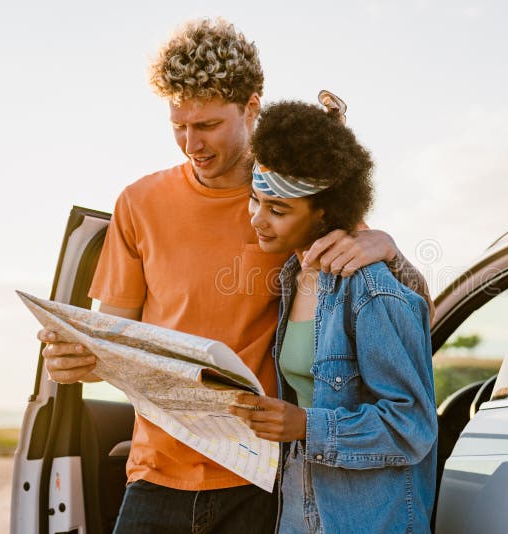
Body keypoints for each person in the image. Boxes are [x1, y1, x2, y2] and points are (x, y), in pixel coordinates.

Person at [37, 18, 432, 533]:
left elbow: (394, 303)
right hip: (156, 473)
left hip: (263, 481)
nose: (190, 143)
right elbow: (119, 343)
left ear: (251, 106)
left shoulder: (296, 199)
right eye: (178, 125)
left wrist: (390, 248)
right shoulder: (140, 204)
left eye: (206, 126)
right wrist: (81, 360)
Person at [231, 99, 437, 533]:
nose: (258, 220)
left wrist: (306, 425)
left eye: (278, 210)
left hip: (365, 518)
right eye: (255, 201)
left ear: (323, 211)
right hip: (300, 508)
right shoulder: (292, 275)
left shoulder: (368, 285)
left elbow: (412, 426)